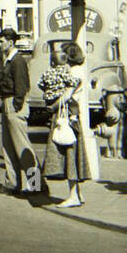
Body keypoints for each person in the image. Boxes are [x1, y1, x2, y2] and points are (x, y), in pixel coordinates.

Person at [39, 41, 90, 208]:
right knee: (72, 155)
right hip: (73, 116)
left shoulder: (73, 73)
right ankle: (78, 194)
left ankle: (73, 195)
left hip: (66, 116)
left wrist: (51, 107)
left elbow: (67, 95)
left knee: (69, 155)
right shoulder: (78, 71)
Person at [0, 27, 38, 194]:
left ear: (10, 42)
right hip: (7, 102)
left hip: (14, 103)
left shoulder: (17, 61)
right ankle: (12, 182)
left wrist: (17, 104)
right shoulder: (8, 59)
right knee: (8, 146)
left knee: (22, 145)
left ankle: (35, 185)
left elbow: (21, 85)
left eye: (2, 41)